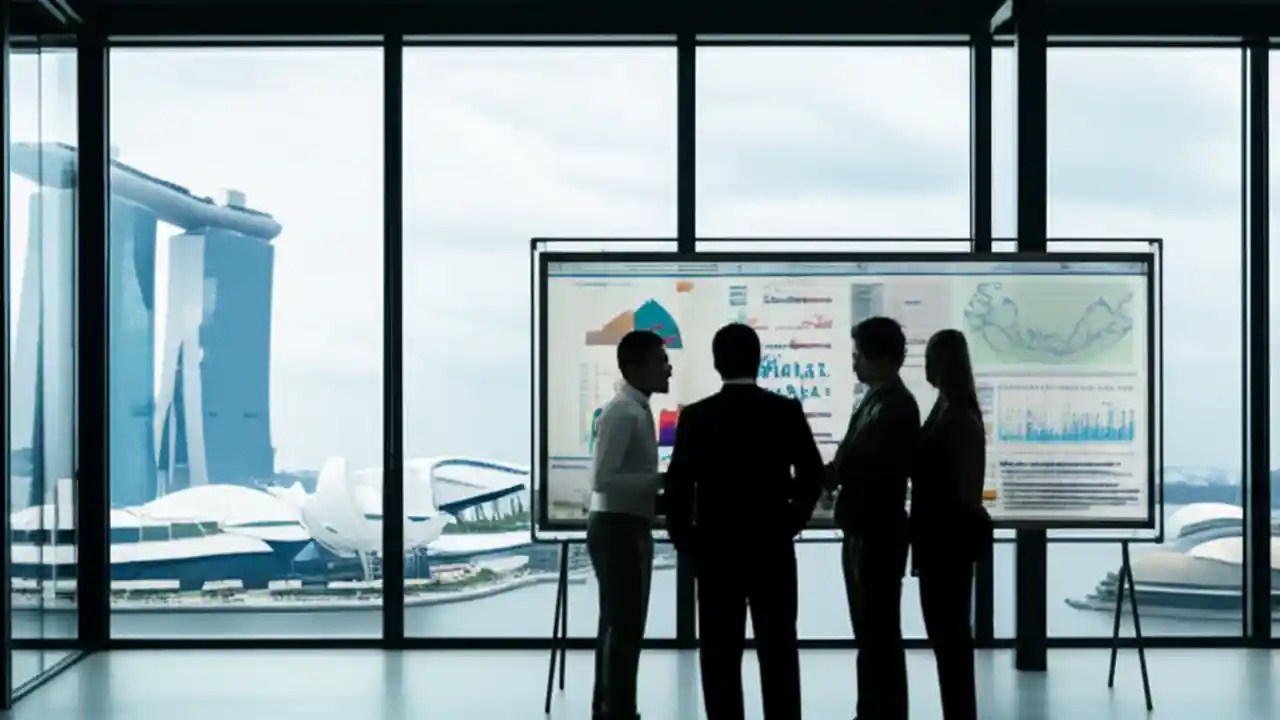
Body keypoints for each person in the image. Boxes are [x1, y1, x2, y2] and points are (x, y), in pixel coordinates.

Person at [664, 323, 825, 720]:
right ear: (759, 361)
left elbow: (679, 490)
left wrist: (691, 545)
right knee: (779, 654)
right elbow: (812, 474)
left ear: (717, 363)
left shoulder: (697, 417)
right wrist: (792, 521)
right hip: (772, 550)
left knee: (719, 657)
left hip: (715, 554)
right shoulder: (784, 411)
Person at [826, 316, 920, 720]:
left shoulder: (895, 406)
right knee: (870, 631)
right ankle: (873, 710)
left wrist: (830, 476)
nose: (854, 363)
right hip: (865, 530)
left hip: (878, 533)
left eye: (858, 355)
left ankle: (883, 712)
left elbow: (868, 467)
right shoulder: (876, 400)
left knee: (879, 632)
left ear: (878, 357)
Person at [588, 329, 671, 720]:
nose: (668, 367)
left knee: (622, 626)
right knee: (624, 628)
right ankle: (617, 710)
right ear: (633, 367)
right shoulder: (623, 411)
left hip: (626, 525)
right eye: (659, 361)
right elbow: (602, 479)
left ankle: (615, 708)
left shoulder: (635, 408)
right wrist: (661, 481)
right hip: (617, 527)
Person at [912, 329, 991, 720]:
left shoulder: (956, 416)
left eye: (930, 357)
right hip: (940, 539)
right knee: (947, 639)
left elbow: (966, 492)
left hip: (947, 542)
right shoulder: (949, 409)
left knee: (951, 639)